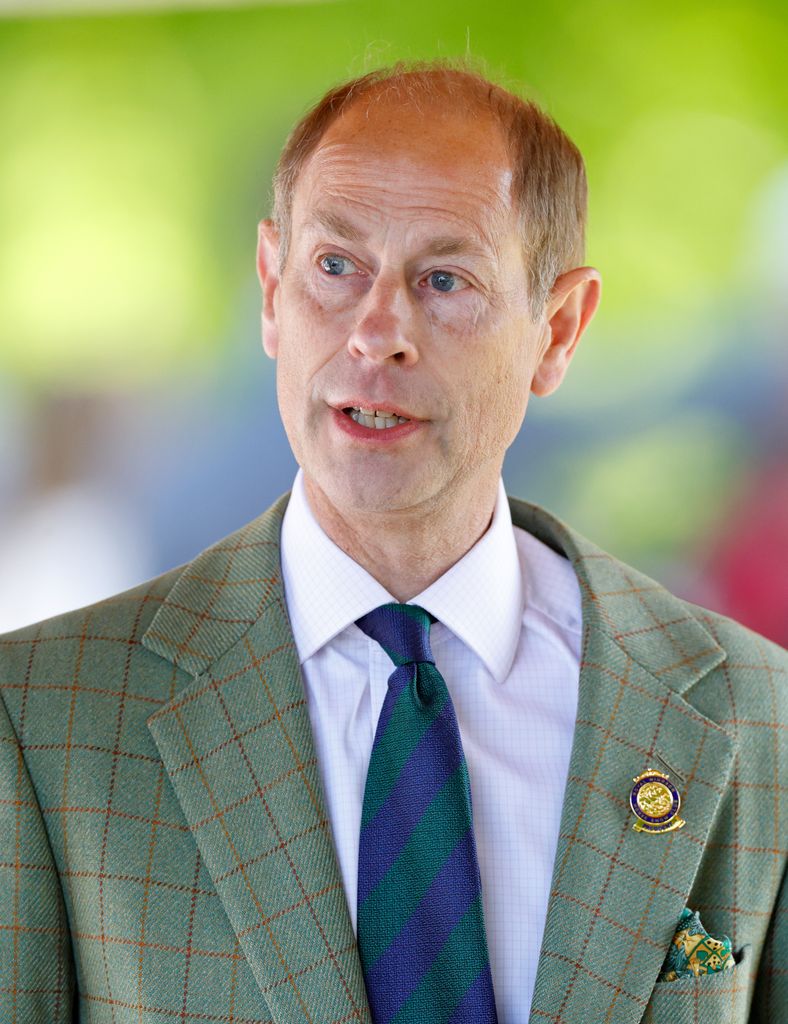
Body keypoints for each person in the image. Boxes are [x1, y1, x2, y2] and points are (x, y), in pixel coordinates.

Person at [0, 61, 785, 1024]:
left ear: (559, 330)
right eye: (335, 267)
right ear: (269, 288)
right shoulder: (46, 720)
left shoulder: (756, 719)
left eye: (445, 279)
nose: (378, 333)